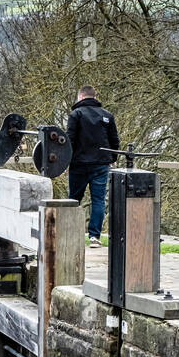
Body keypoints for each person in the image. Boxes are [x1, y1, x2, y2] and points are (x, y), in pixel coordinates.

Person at [65, 86, 121, 249]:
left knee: (74, 199)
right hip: (101, 164)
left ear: (80, 97)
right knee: (98, 200)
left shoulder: (75, 115)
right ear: (93, 97)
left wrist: (65, 162)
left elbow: (70, 140)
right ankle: (94, 237)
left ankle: (70, 233)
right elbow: (114, 140)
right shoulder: (107, 115)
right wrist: (113, 159)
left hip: (78, 164)